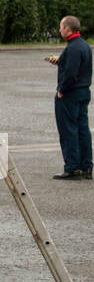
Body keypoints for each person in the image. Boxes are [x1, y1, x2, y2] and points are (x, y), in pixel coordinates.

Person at [47, 16, 92, 180]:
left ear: (68, 29)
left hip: (70, 94)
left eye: (61, 27)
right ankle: (86, 166)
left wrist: (61, 89)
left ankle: (72, 167)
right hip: (83, 92)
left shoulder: (72, 48)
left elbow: (72, 74)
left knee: (68, 131)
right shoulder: (84, 45)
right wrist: (60, 62)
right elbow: (77, 67)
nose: (59, 30)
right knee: (82, 129)